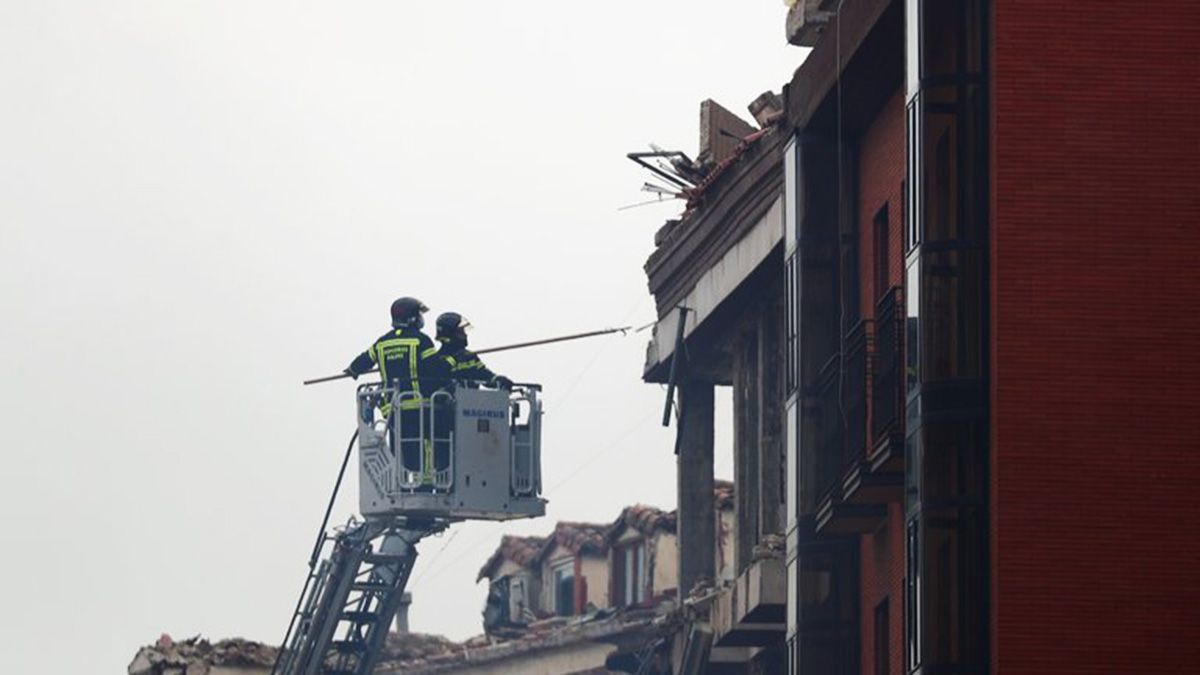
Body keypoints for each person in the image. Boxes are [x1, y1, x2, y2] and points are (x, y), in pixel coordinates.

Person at [344, 297, 447, 484]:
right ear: (412, 318)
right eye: (419, 315)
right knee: (424, 447)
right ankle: (424, 485)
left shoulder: (383, 342)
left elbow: (364, 359)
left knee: (400, 449)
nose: (421, 319)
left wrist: (352, 370)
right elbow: (436, 369)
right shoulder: (421, 341)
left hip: (393, 410)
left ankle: (402, 482)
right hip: (419, 407)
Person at [433, 312, 513, 389]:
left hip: (472, 398)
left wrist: (497, 380)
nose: (465, 335)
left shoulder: (470, 357)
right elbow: (438, 380)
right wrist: (454, 359)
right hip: (450, 398)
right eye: (460, 332)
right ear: (450, 335)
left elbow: (483, 374)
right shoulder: (438, 361)